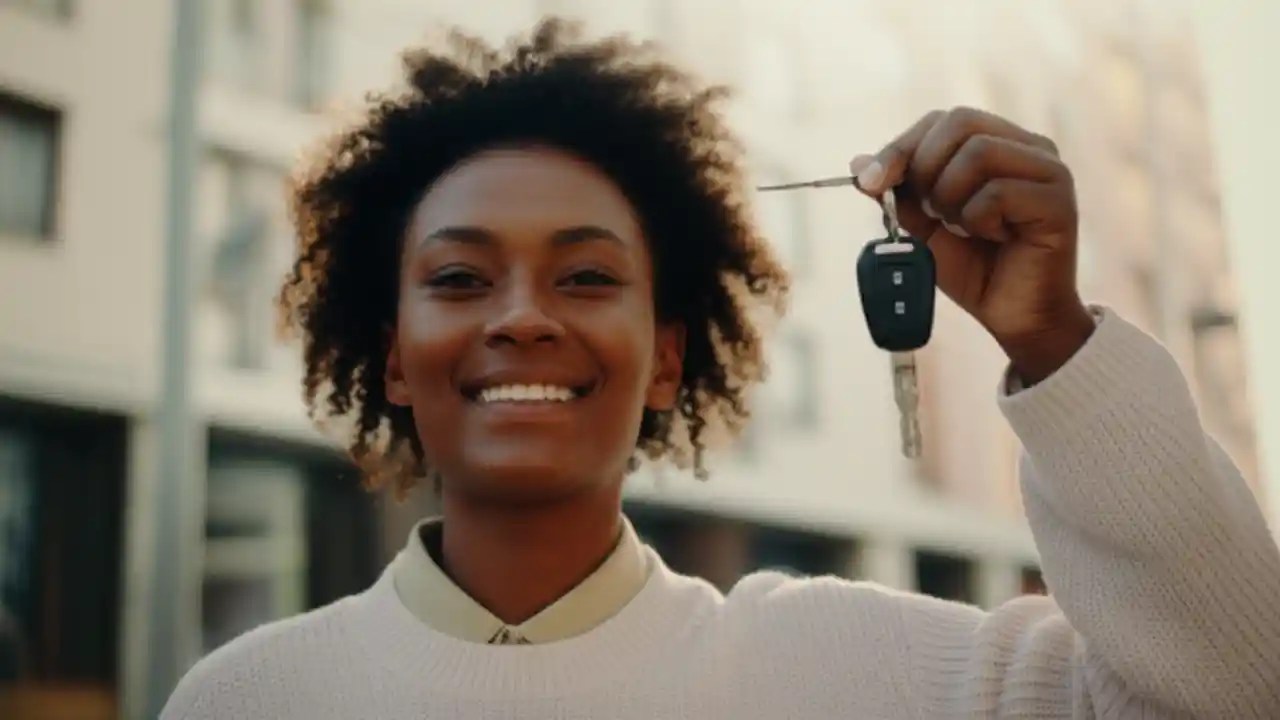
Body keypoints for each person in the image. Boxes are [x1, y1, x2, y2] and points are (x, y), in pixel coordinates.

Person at [161, 19, 1280, 719]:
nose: (523, 317)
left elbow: (1233, 692)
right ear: (394, 358)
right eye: (459, 278)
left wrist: (1055, 339)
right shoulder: (245, 700)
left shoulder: (855, 670)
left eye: (586, 277)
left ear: (667, 360)